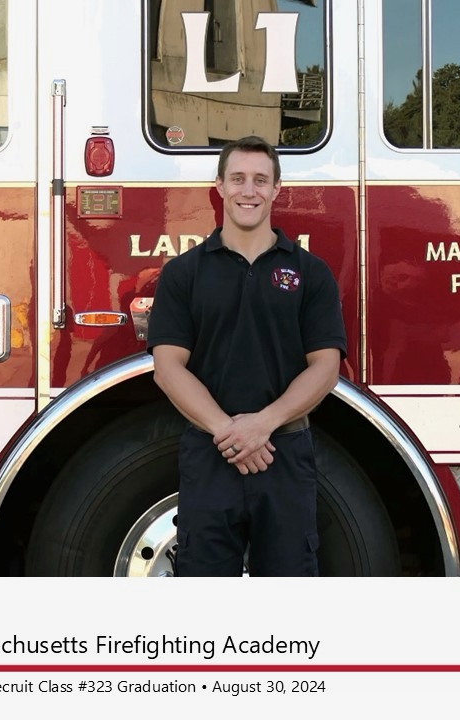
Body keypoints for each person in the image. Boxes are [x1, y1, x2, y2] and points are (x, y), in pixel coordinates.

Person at [147, 135, 347, 577]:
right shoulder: (183, 273)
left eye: (260, 180)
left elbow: (326, 367)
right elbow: (167, 367)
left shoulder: (310, 273)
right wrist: (229, 432)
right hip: (210, 454)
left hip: (283, 454)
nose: (248, 190)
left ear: (277, 189)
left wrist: (263, 424)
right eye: (237, 178)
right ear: (219, 186)